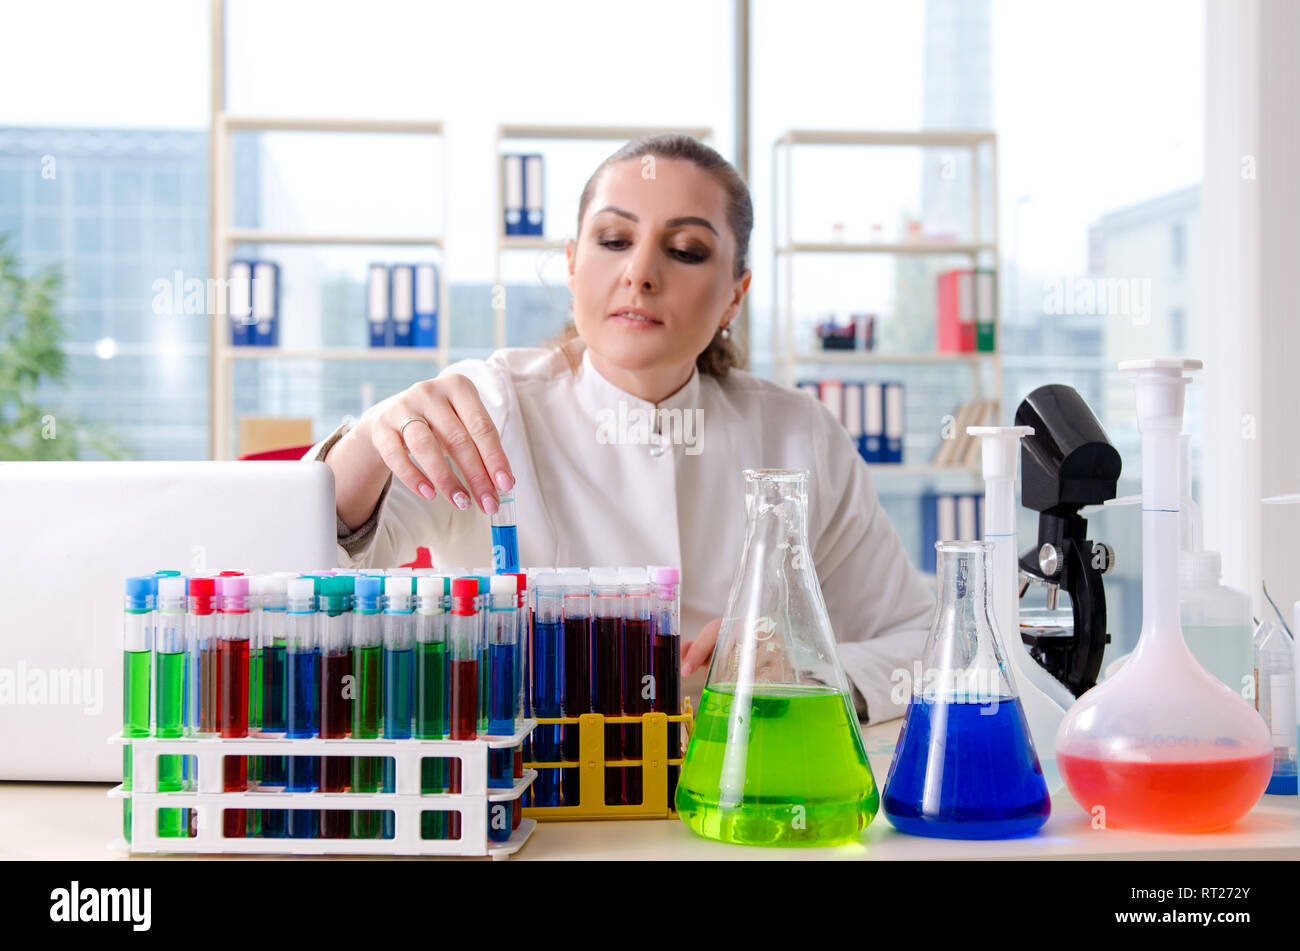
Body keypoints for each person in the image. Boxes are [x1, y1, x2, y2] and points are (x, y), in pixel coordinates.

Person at [305, 133, 934, 723]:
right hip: (530, 792)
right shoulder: (485, 406)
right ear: (574, 266)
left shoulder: (801, 435)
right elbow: (295, 583)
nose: (641, 273)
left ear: (733, 297)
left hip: (729, 787)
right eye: (613, 240)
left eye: (685, 251)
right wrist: (369, 442)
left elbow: (924, 644)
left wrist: (809, 670)